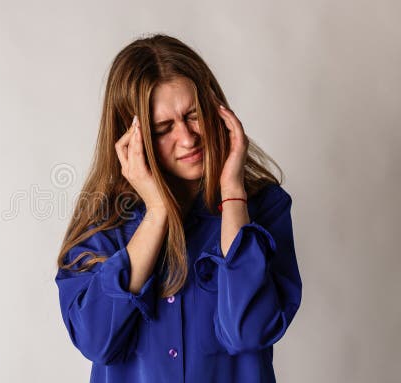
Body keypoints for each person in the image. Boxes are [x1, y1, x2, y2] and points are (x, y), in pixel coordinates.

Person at [54, 34, 302, 382]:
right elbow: (97, 342)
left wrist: (233, 193)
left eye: (194, 115)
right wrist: (157, 213)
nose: (187, 139)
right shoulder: (104, 221)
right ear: (130, 139)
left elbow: (247, 332)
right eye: (163, 128)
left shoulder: (264, 207)